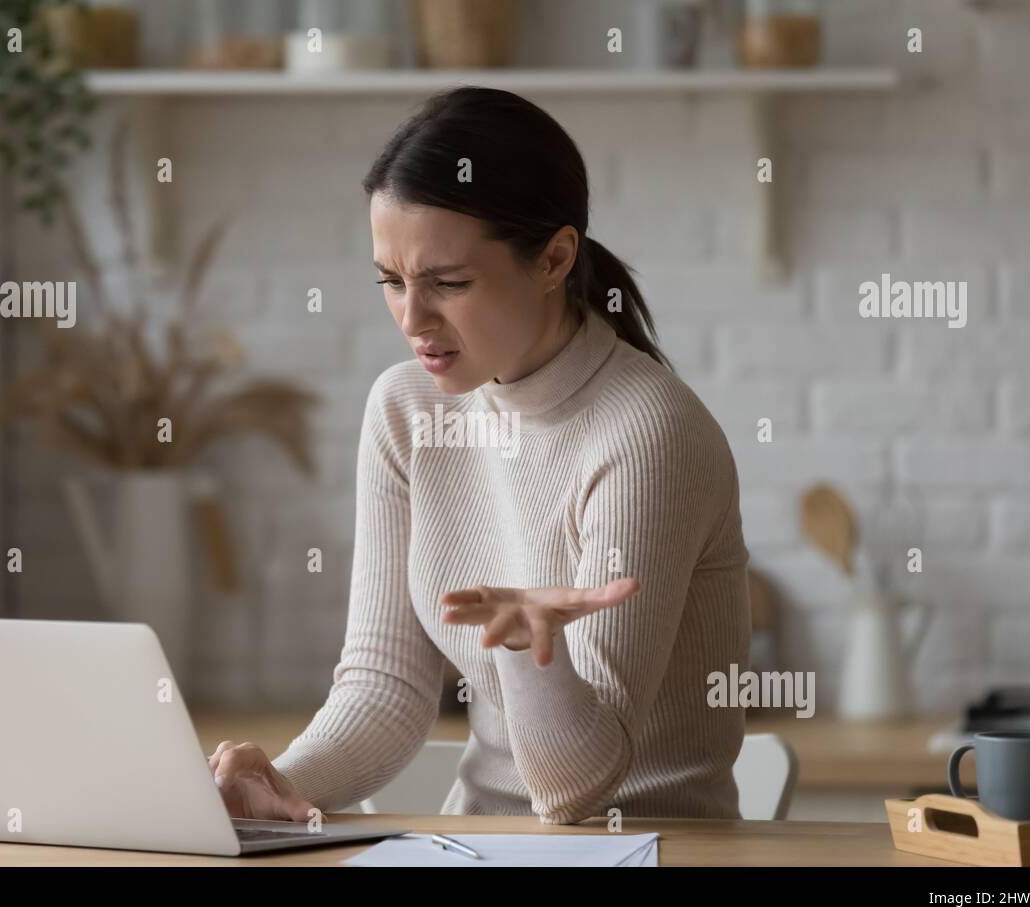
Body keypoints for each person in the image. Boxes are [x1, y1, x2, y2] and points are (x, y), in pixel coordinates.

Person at [208, 86, 750, 825]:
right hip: (475, 844)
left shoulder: (647, 433)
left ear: (555, 258)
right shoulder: (407, 411)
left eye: (448, 284)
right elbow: (384, 690)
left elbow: (579, 789)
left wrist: (531, 655)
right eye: (391, 282)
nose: (411, 318)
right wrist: (280, 787)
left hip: (650, 847)